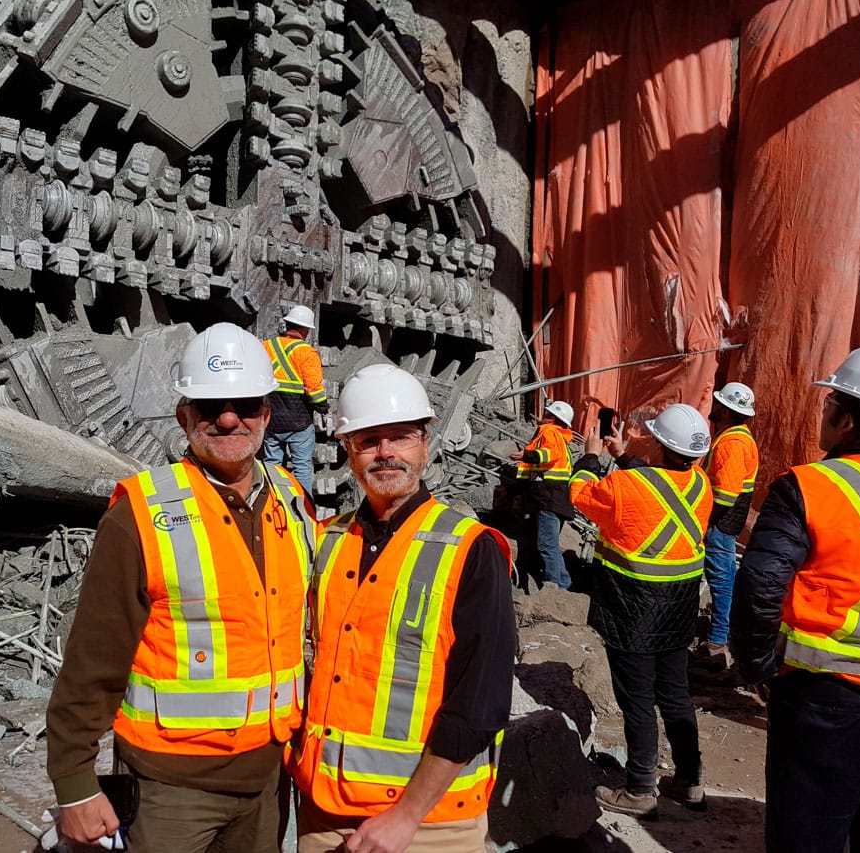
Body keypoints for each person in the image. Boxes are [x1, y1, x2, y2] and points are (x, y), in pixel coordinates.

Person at [45, 322, 316, 853]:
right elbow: (94, 658)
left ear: (267, 414)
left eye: (245, 405)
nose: (229, 419)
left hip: (268, 780)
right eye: (210, 406)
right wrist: (74, 784)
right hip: (170, 789)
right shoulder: (140, 515)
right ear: (183, 416)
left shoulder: (291, 501)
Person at [290, 362, 516, 853]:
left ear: (425, 445)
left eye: (400, 437)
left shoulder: (470, 549)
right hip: (325, 808)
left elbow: (481, 701)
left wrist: (406, 816)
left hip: (429, 822)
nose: (386, 452)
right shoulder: (327, 541)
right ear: (347, 450)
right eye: (368, 440)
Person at [730, 344, 860, 853]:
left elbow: (759, 586)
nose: (824, 412)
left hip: (829, 703)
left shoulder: (809, 486)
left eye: (829, 403)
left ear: (848, 420)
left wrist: (756, 667)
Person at [570, 404, 713, 819]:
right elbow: (659, 489)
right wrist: (623, 456)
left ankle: (639, 789)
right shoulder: (701, 484)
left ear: (659, 444)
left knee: (637, 701)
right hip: (678, 608)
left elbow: (580, 494)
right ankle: (689, 781)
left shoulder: (625, 485)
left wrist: (591, 457)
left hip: (632, 608)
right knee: (675, 695)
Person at [699, 381, 759, 665]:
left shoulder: (733, 442)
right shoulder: (736, 437)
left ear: (725, 410)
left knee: (721, 581)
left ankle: (718, 641)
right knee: (725, 579)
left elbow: (725, 494)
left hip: (720, 525)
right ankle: (724, 634)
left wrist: (704, 520)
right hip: (724, 524)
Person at [508, 400, 576, 590]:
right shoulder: (562, 438)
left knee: (546, 545)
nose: (543, 416)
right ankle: (564, 583)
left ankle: (553, 586)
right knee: (551, 544)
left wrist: (527, 455)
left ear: (552, 418)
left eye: (547, 413)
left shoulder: (549, 431)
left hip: (548, 499)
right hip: (557, 499)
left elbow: (549, 454)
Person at [262, 304, 329, 495]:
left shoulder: (266, 346)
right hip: (299, 421)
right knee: (302, 468)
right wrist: (323, 408)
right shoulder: (306, 352)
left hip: (272, 420)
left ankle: (272, 502)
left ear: (288, 324)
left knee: (272, 466)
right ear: (305, 329)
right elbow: (314, 389)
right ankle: (303, 506)